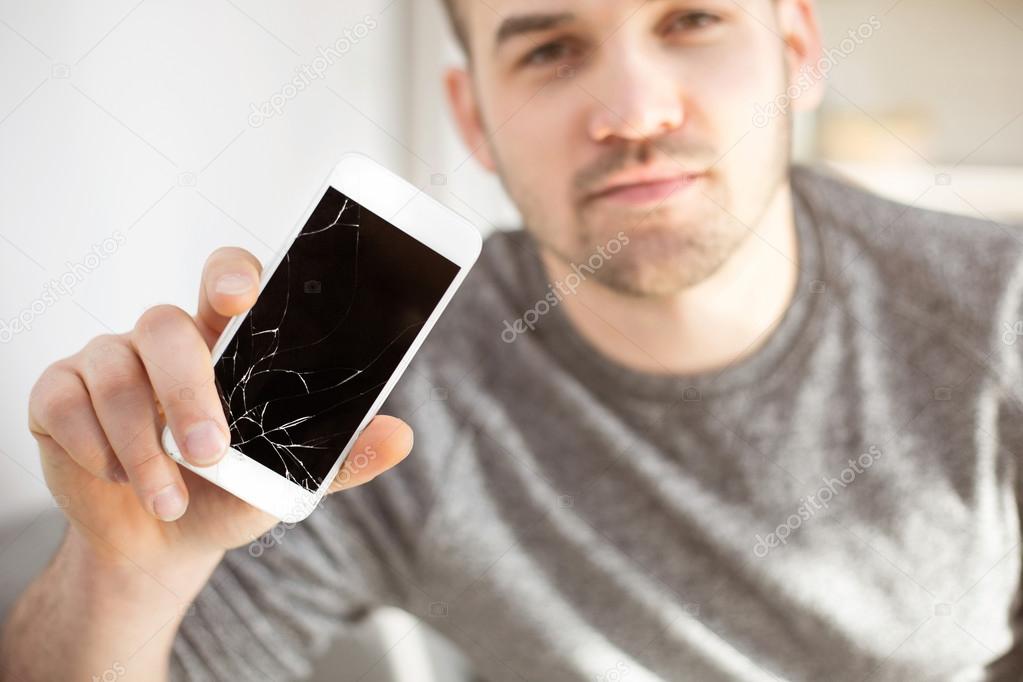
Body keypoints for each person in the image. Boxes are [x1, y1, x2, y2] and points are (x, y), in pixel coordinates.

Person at [4, 0, 1023, 680]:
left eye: (692, 19)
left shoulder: (999, 309)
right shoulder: (387, 398)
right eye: (549, 50)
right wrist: (124, 573)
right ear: (474, 118)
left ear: (796, 48)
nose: (634, 113)